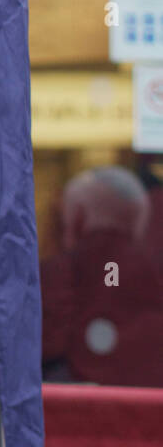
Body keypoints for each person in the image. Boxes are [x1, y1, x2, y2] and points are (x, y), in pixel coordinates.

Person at [40, 166, 163, 387]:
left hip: (66, 414)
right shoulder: (153, 277)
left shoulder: (56, 276)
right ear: (140, 222)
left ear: (77, 218)